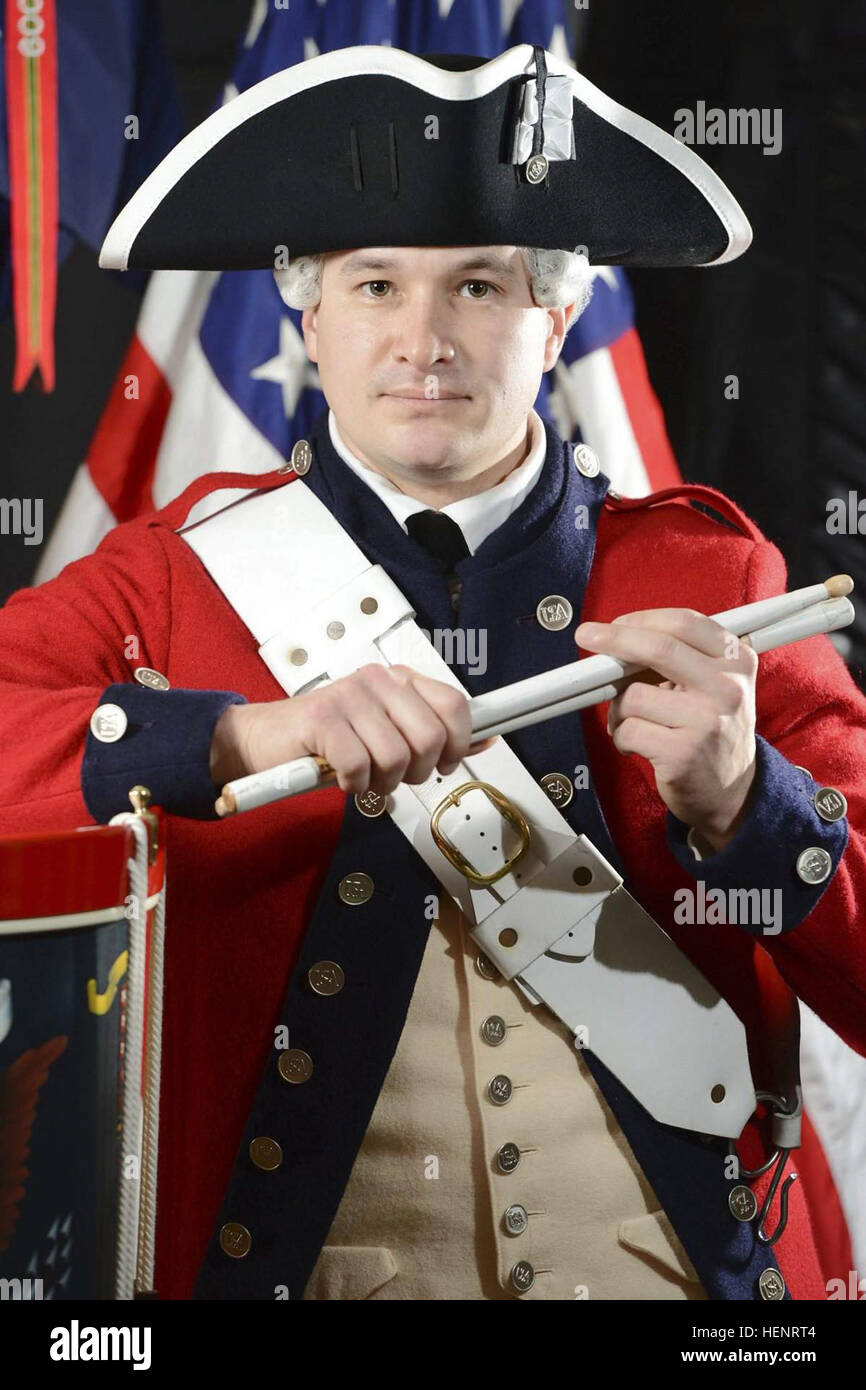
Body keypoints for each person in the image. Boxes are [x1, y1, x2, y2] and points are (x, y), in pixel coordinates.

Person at [3, 43, 865, 1301]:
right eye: (373, 285)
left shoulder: (712, 579)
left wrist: (748, 804)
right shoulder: (166, 582)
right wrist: (241, 737)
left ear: (555, 316)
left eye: (476, 285)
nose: (423, 341)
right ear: (308, 316)